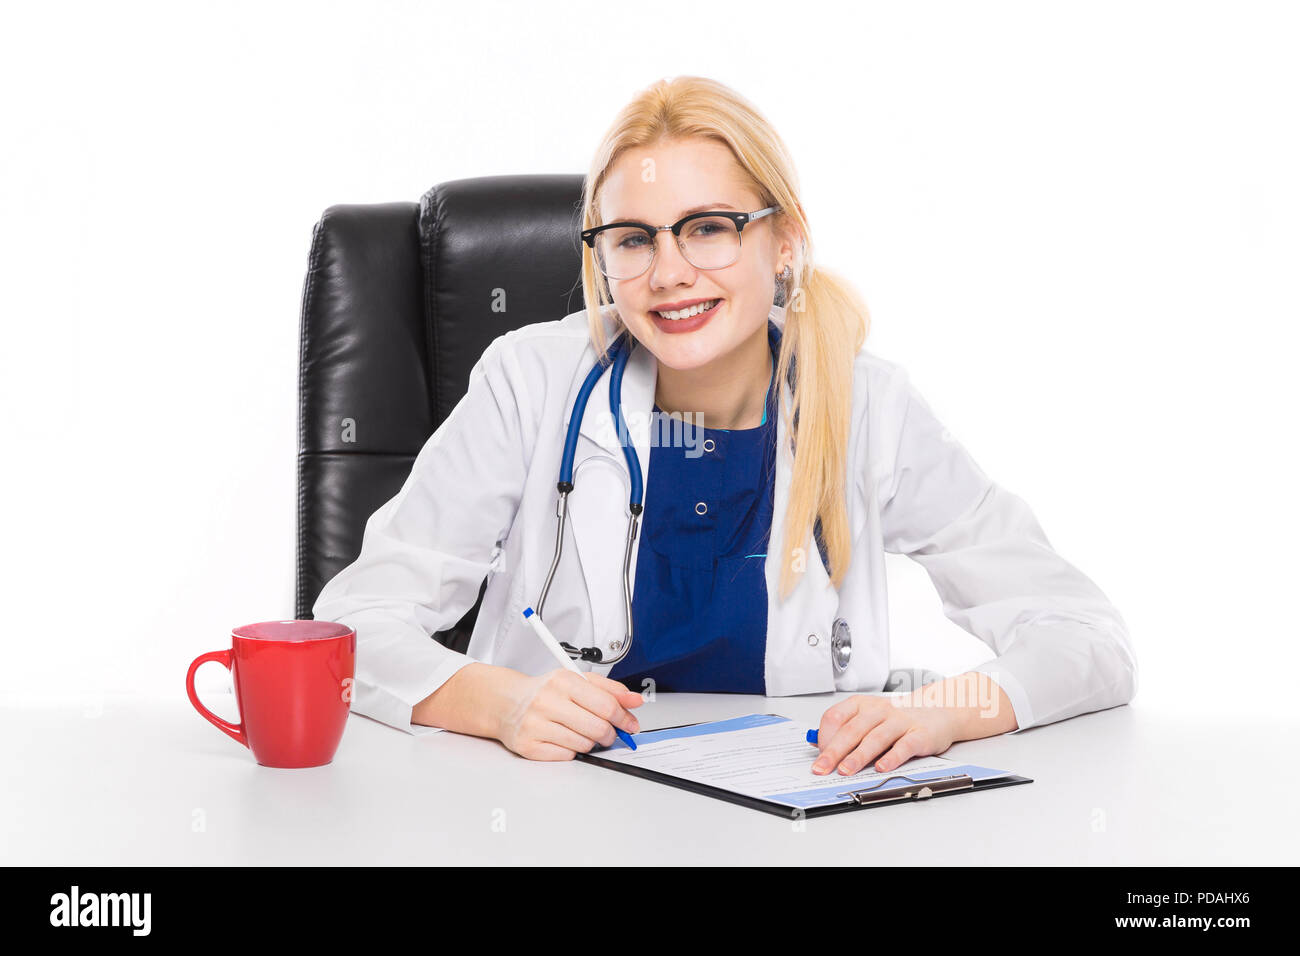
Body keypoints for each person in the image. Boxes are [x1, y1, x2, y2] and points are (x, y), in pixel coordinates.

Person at [313, 75, 1136, 777]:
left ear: (784, 242)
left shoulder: (866, 406)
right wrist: (501, 702)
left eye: (708, 227)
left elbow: (1083, 634)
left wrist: (943, 711)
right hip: (553, 809)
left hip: (792, 817)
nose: (670, 273)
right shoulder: (530, 383)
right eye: (633, 239)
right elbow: (353, 622)